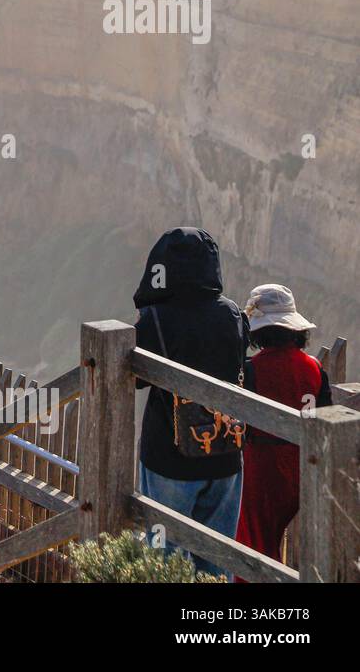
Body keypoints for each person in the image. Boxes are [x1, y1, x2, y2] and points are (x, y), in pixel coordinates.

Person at [132, 228, 249, 579]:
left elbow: (135, 378)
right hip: (226, 456)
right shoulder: (232, 315)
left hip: (170, 457)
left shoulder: (156, 319)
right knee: (217, 561)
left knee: (161, 561)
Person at [234, 284, 332, 575]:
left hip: (260, 466)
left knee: (253, 542)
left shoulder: (251, 368)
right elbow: (324, 418)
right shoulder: (315, 368)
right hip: (302, 467)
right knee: (272, 537)